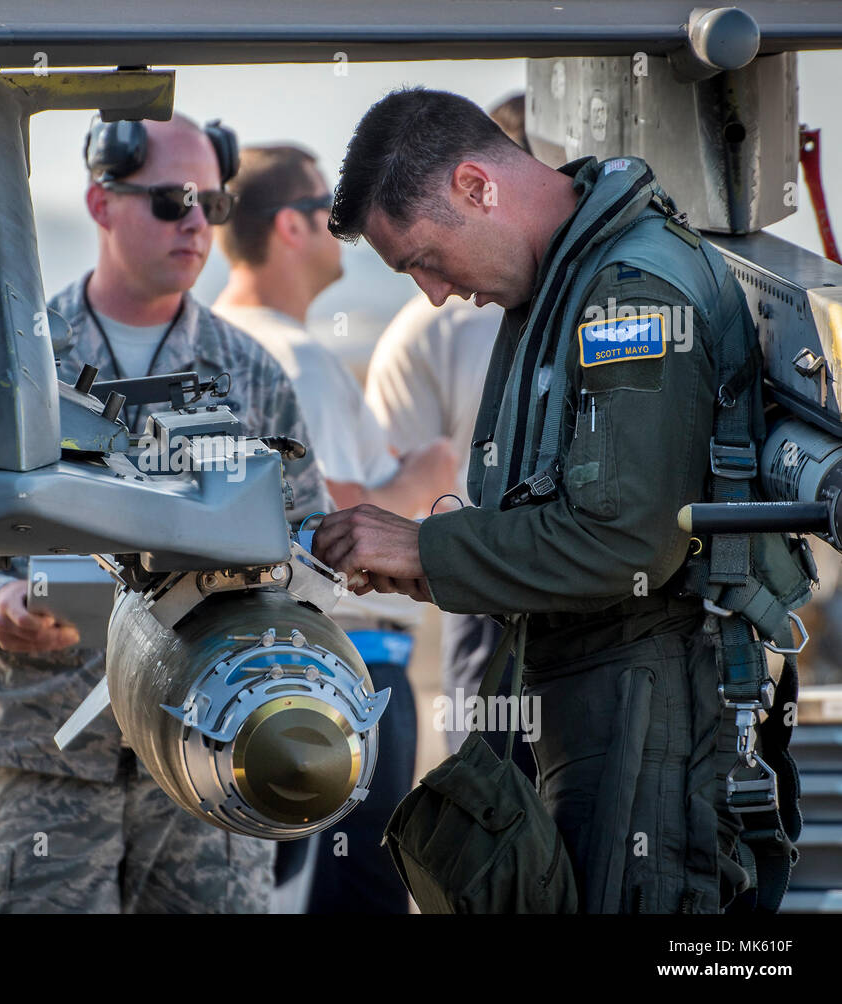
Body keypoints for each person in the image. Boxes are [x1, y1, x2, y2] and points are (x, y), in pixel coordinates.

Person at [312, 86, 788, 914]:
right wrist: (441, 561)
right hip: (604, 702)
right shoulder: (561, 282)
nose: (431, 294)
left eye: (423, 258)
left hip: (654, 719)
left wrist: (425, 550)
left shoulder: (628, 291)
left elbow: (630, 543)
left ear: (475, 186)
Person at [0, 113, 329, 913]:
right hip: (51, 764)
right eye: (171, 201)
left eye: (212, 206)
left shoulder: (251, 374)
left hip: (209, 758)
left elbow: (308, 553)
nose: (195, 223)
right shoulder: (6, 368)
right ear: (100, 201)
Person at [213, 144, 448, 914]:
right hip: (351, 674)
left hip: (247, 680)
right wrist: (427, 473)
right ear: (288, 227)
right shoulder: (299, 359)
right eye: (326, 212)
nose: (341, 230)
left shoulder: (208, 342)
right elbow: (332, 519)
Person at [363, 94, 532, 773]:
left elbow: (389, 500)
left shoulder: (418, 332)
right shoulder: (431, 330)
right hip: (486, 594)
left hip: (482, 595)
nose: (439, 288)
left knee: (486, 810)